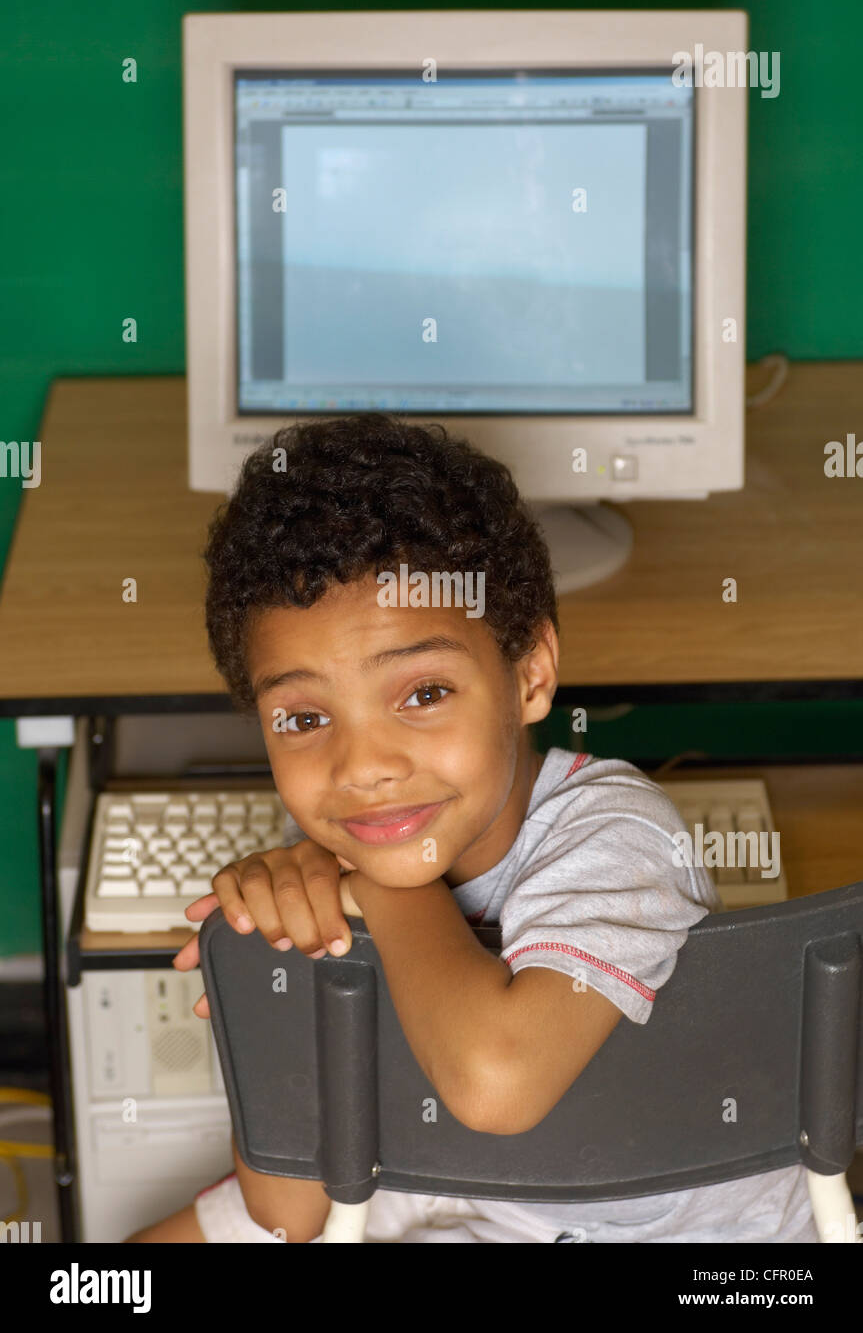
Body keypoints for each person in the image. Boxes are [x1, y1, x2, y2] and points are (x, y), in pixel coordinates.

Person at [125, 414, 817, 1244]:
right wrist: (271, 977)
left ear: (530, 675)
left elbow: (498, 1086)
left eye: (422, 694)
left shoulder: (617, 834)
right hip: (469, 1188)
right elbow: (288, 1211)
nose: (362, 767)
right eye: (304, 717)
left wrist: (377, 891)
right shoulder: (360, 835)